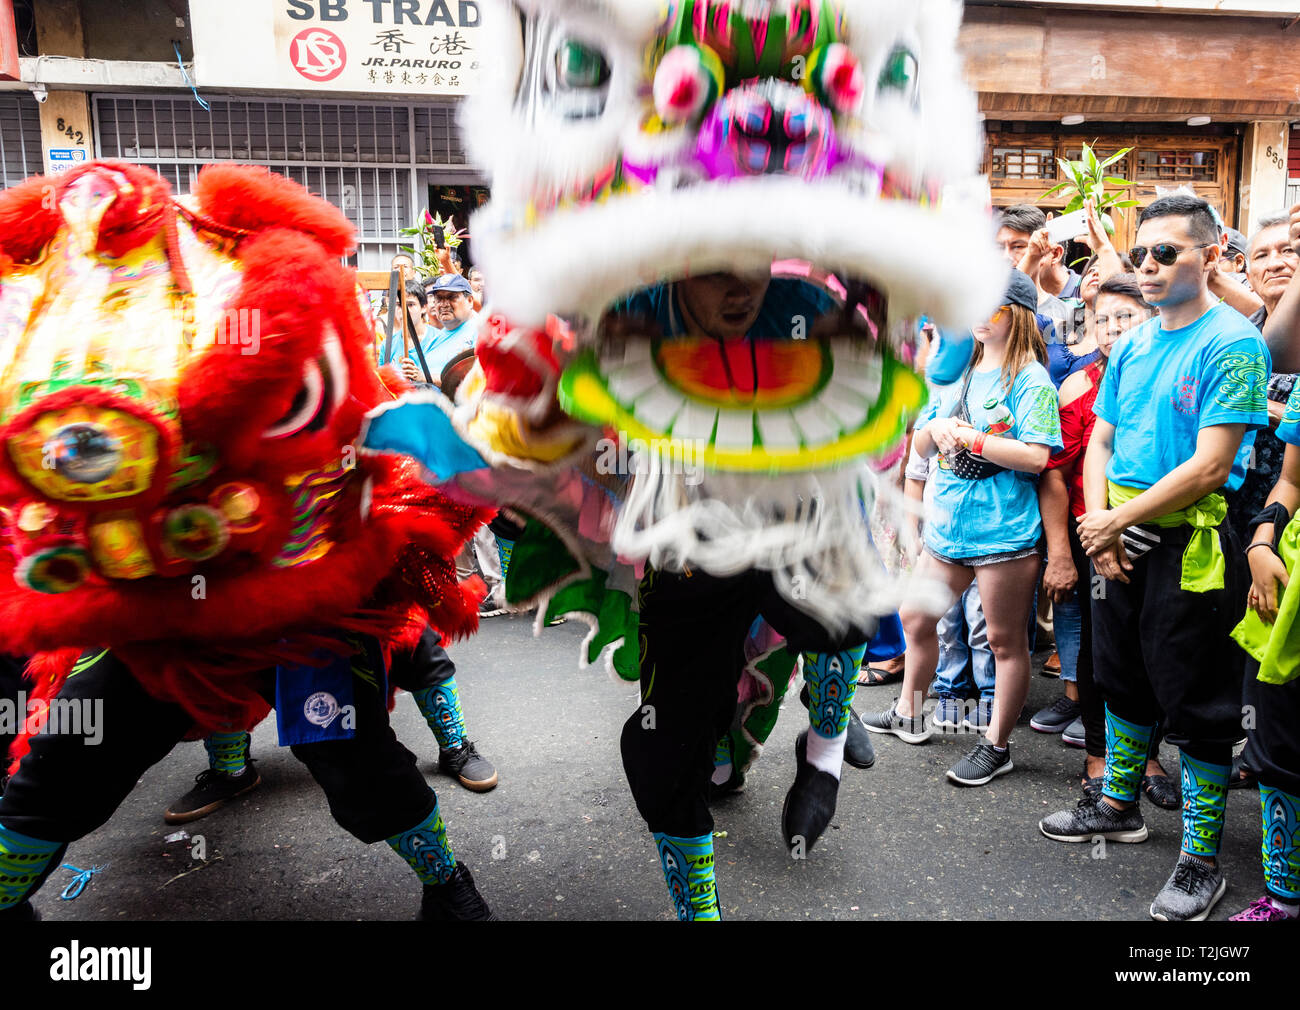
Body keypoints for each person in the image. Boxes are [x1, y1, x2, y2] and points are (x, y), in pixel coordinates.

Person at [1038, 193, 1270, 921]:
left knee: (1198, 702)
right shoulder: (1134, 342)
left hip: (1189, 540)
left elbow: (1210, 467)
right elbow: (1100, 441)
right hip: (1119, 529)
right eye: (1141, 252)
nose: (1147, 264)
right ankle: (1117, 805)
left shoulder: (1234, 342)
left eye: (1165, 252)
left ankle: (1201, 860)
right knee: (1120, 675)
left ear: (1212, 257)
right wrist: (1101, 522)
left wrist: (1113, 524)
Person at [863, 270, 1062, 786]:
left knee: (1003, 642)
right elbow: (922, 449)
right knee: (915, 618)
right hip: (948, 529)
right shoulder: (957, 372)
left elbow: (1038, 457)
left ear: (1014, 314)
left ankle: (996, 745)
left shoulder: (1031, 380)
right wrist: (934, 430)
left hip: (1004, 533)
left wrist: (971, 438)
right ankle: (909, 712)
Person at [1032, 275, 1178, 807]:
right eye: (1104, 319)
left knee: (1155, 650)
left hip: (1164, 530)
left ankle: (1149, 756)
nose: (1114, 328)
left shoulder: (1171, 371)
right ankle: (1100, 757)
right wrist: (1067, 551)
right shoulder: (1079, 385)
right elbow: (1052, 474)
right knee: (1100, 656)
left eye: (1127, 317)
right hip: (1093, 532)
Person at [163, 627, 499, 823]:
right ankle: (231, 770)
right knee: (216, 645)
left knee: (409, 634)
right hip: (253, 555)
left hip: (340, 542)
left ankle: (455, 747)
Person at [1225, 212, 1300, 790]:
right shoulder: (1247, 327)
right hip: (1254, 510)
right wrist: (1262, 538)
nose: (1277, 261)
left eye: (1289, 250)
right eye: (1263, 253)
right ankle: (1253, 748)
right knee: (1253, 642)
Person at [1226, 377, 1300, 920]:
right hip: (1288, 580)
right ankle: (1284, 896)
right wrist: (1260, 540)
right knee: (1276, 731)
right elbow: (1291, 480)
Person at [400, 274, 481, 387]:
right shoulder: (435, 339)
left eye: (451, 297)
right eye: (439, 298)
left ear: (470, 300)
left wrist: (423, 377)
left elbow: (475, 380)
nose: (444, 304)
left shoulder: (481, 331)